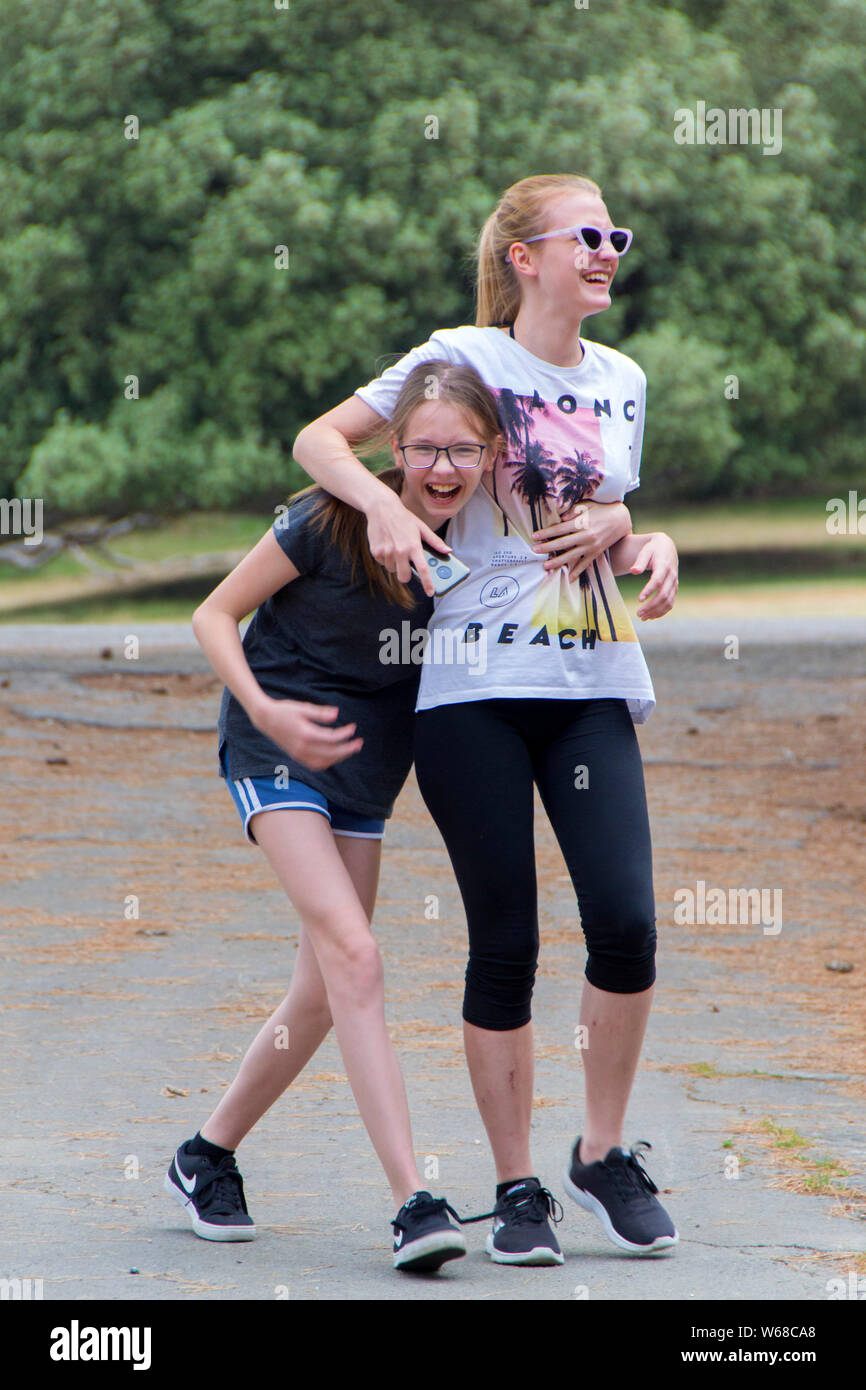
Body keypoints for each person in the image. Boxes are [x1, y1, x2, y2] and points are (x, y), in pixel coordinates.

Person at [292, 173, 680, 1266]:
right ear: (524, 256)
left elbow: (605, 519)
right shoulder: (458, 355)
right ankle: (515, 1189)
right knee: (502, 938)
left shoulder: (623, 378)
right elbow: (320, 441)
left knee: (627, 922)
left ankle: (598, 1154)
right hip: (469, 691)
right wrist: (378, 503)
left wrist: (645, 539)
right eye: (587, 235)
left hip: (591, 681)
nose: (607, 250)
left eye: (616, 235)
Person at [164, 359, 504, 1272]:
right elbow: (213, 614)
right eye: (425, 447)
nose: (443, 467)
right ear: (393, 450)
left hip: (365, 774)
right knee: (356, 955)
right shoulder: (324, 519)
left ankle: (205, 1154)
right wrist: (264, 708)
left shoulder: (483, 534)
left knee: (319, 995)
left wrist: (635, 531)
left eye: (462, 450)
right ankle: (412, 1201)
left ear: (488, 453)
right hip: (274, 742)